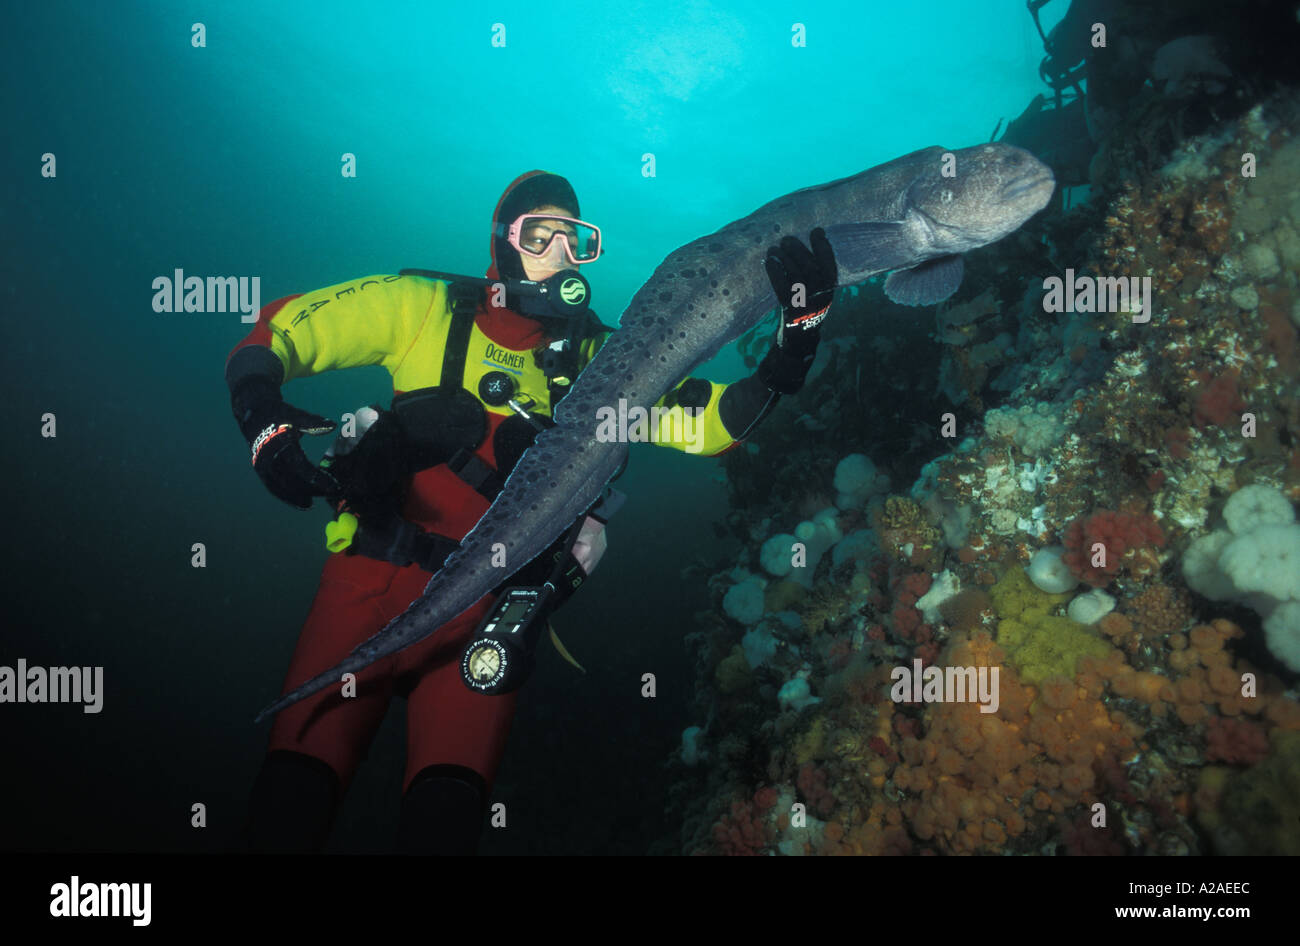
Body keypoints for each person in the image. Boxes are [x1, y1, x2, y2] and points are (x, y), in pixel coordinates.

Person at [225, 170, 838, 854]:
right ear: (501, 241)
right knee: (287, 813)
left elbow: (709, 425)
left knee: (444, 825)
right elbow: (279, 331)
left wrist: (792, 349)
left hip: (490, 616)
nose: (559, 253)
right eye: (538, 233)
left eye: (574, 239)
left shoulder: (605, 359)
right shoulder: (423, 305)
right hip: (363, 588)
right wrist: (262, 418)